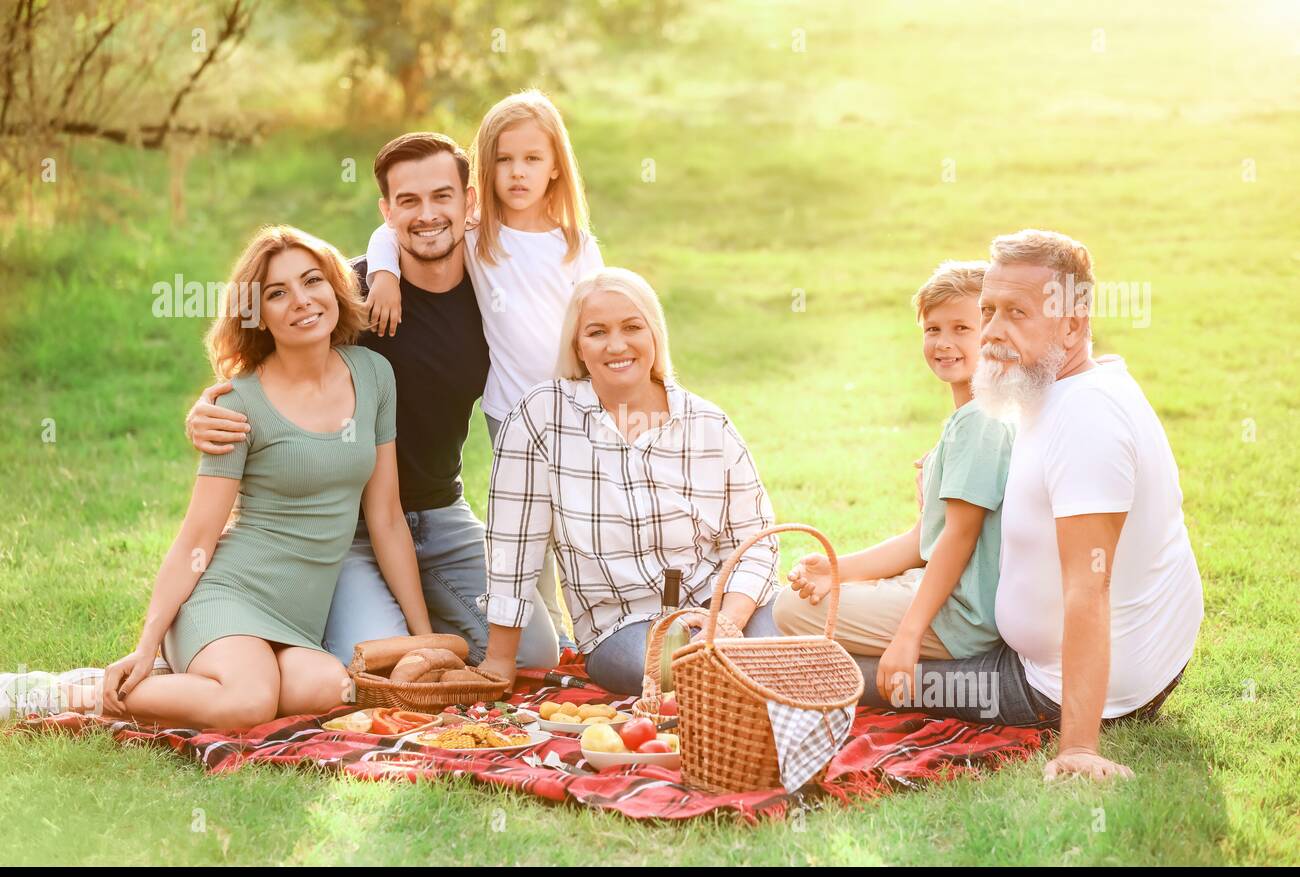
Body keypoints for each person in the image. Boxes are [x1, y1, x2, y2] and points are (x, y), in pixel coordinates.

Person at [184, 133, 561, 671]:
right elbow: (264, 355)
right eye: (408, 201)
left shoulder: (497, 293)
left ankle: (427, 621)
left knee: (532, 656)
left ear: (470, 203)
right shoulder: (347, 294)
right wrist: (208, 408)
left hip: (439, 512)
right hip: (347, 523)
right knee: (375, 669)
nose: (426, 214)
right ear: (387, 212)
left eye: (442, 197)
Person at [856, 229, 1202, 784]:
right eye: (988, 310)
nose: (991, 332)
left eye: (1015, 313)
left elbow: (1089, 588)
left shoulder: (1089, 420)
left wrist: (1080, 748)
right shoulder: (1056, 387)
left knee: (842, 675)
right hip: (1052, 655)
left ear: (1072, 323)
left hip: (1050, 685)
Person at [87, 226, 432, 728]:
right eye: (277, 293)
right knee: (247, 704)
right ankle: (93, 689)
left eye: (312, 281)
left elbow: (386, 518)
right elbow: (196, 538)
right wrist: (145, 641)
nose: (301, 301)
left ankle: (213, 680)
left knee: (332, 689)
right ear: (257, 315)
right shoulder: (238, 403)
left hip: (297, 619)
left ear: (335, 288)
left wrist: (424, 640)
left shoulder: (374, 374)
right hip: (229, 596)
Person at [365, 90, 603, 640]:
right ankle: (558, 640)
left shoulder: (575, 245)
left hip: (576, 405)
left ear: (555, 169)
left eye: (532, 160)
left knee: (581, 523)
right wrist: (383, 274)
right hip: (511, 411)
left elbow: (602, 312)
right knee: (524, 530)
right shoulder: (477, 236)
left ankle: (589, 628)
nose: (517, 173)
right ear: (486, 172)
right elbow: (390, 229)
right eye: (503, 159)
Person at [478, 267, 781, 694]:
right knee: (684, 676)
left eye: (632, 327)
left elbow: (757, 541)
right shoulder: (542, 416)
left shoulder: (708, 423)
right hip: (622, 626)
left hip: (722, 604)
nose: (616, 345)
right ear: (578, 347)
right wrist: (500, 658)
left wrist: (725, 622)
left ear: (654, 335)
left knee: (782, 661)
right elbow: (513, 543)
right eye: (597, 332)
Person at [774, 261, 1014, 703]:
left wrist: (907, 636)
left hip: (960, 618)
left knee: (789, 610)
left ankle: (902, 679)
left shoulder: (982, 421)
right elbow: (923, 538)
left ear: (992, 333)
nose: (943, 343)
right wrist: (836, 569)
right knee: (801, 597)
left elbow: (959, 538)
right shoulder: (969, 417)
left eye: (962, 328)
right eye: (932, 329)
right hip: (942, 598)